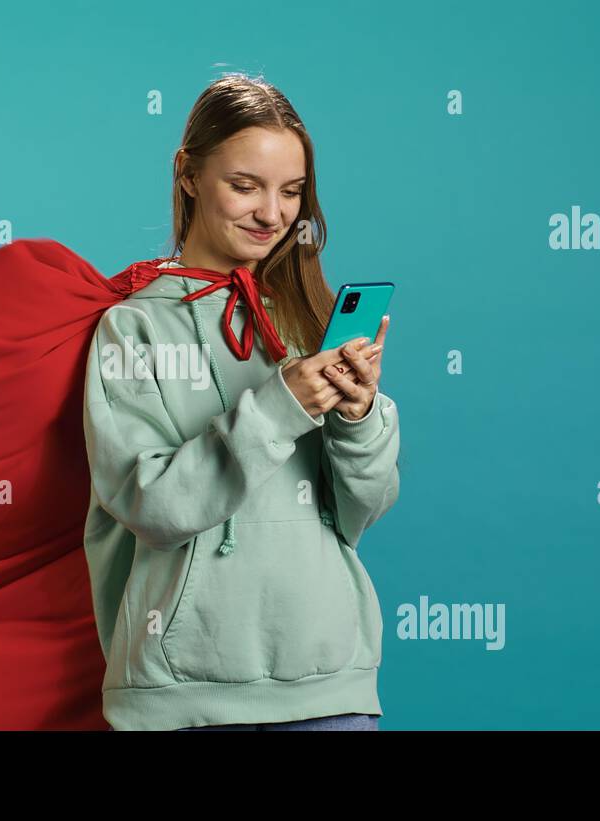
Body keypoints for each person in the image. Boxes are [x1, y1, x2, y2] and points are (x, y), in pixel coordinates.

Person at [82, 74, 401, 731]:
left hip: (330, 691)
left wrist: (357, 417)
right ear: (189, 175)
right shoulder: (132, 329)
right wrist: (281, 404)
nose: (272, 214)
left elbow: (358, 511)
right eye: (245, 185)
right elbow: (153, 504)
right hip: (182, 695)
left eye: (291, 192)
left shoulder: (307, 317)